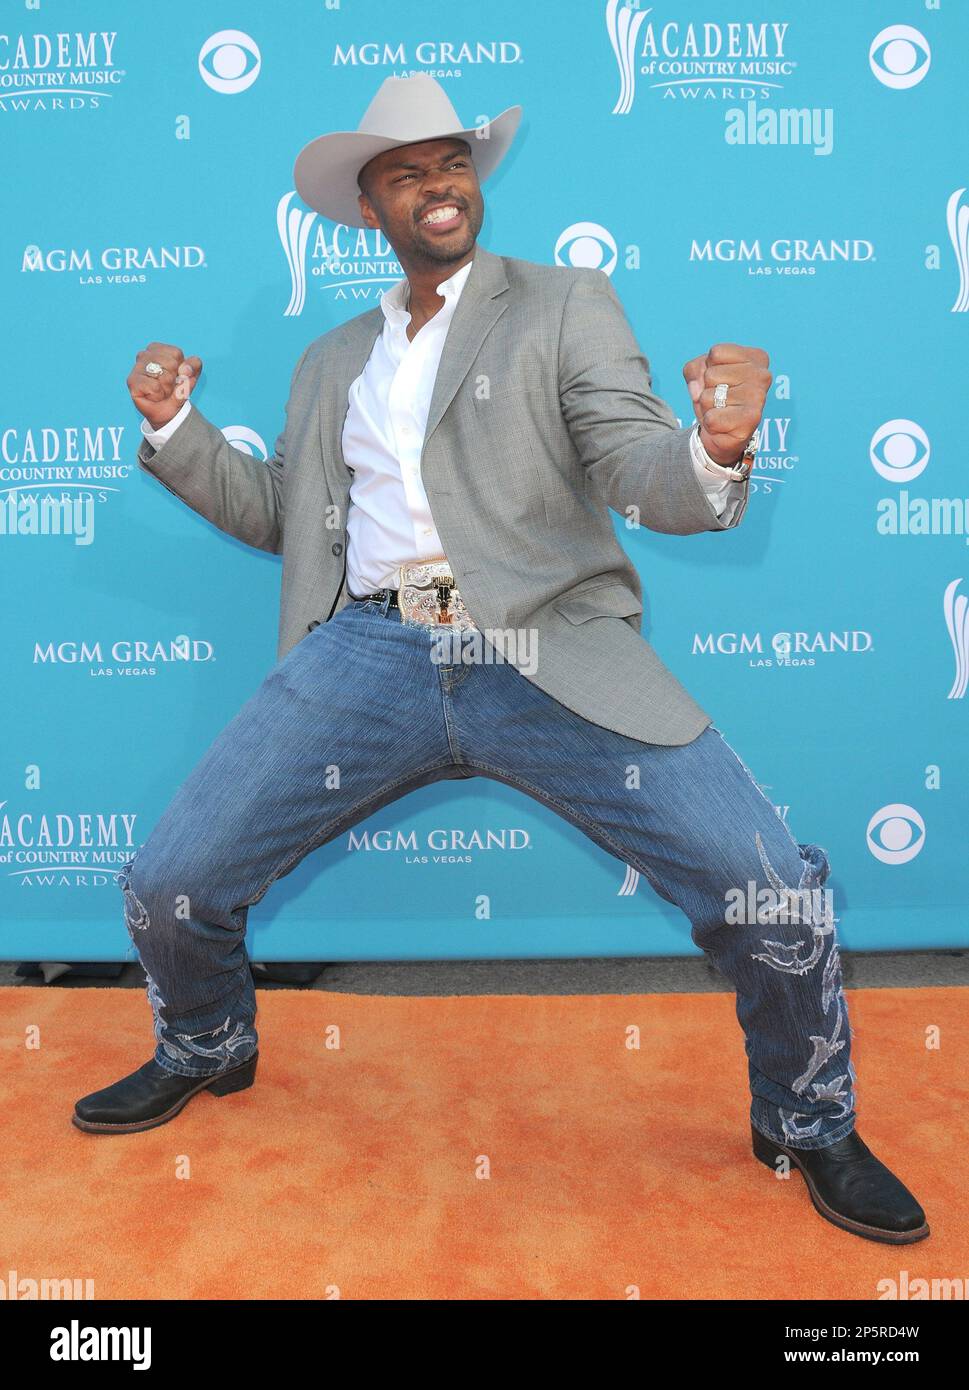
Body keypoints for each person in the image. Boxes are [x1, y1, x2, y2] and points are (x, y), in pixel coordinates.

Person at [74, 74, 927, 1246]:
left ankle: (809, 1116)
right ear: (367, 208)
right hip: (370, 651)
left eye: (453, 162)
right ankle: (207, 1043)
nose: (439, 185)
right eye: (407, 171)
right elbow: (288, 514)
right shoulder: (332, 361)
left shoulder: (565, 304)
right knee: (173, 883)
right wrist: (173, 432)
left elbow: (636, 462)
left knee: (765, 887)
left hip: (542, 648)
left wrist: (714, 450)